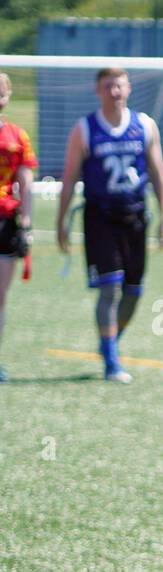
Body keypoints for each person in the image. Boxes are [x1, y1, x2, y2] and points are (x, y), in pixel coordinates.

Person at [56, 67, 163, 384]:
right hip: (100, 217)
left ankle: (110, 341)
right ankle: (111, 360)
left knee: (133, 292)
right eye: (108, 86)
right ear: (98, 90)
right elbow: (69, 178)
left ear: (129, 89)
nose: (114, 92)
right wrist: (60, 223)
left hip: (135, 216)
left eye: (119, 86)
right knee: (109, 288)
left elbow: (159, 173)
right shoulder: (85, 129)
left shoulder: (145, 125)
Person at [0, 72, 36, 384]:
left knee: (0, 295)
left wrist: (26, 223)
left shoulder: (17, 137)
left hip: (4, 222)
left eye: (1, 92)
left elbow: (25, 182)